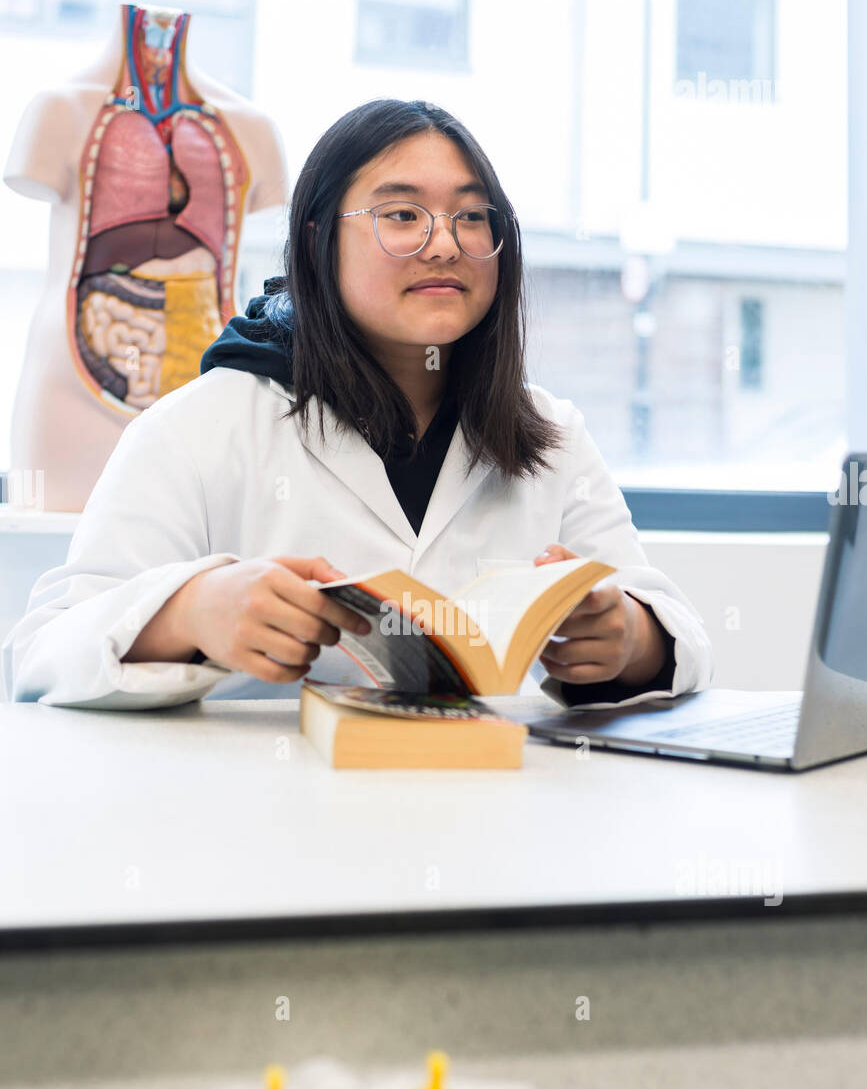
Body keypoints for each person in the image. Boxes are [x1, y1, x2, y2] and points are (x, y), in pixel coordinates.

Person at [2, 98, 712, 711]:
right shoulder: (200, 425)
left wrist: (626, 639)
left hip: (492, 818)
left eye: (471, 217)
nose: (445, 245)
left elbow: (677, 636)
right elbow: (39, 656)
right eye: (402, 214)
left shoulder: (551, 432)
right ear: (317, 241)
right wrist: (188, 612)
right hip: (264, 830)